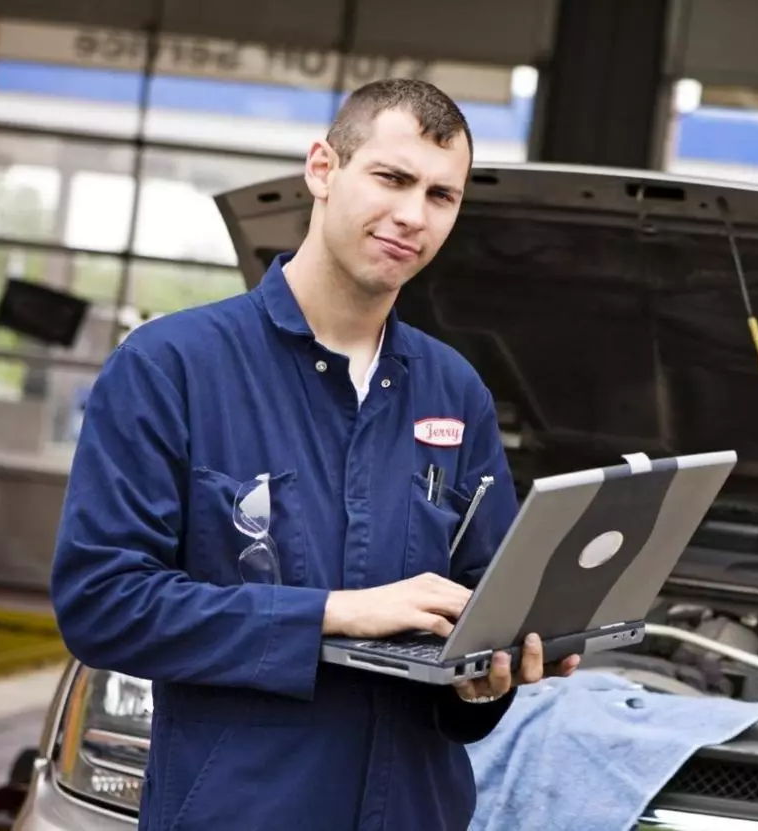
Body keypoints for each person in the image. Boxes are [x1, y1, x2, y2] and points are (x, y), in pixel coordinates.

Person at [49, 79, 579, 831]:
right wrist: (334, 614)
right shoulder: (173, 366)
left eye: (441, 195)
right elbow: (103, 604)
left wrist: (485, 683)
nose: (412, 215)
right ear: (324, 168)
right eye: (392, 179)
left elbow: (476, 617)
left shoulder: (454, 391)